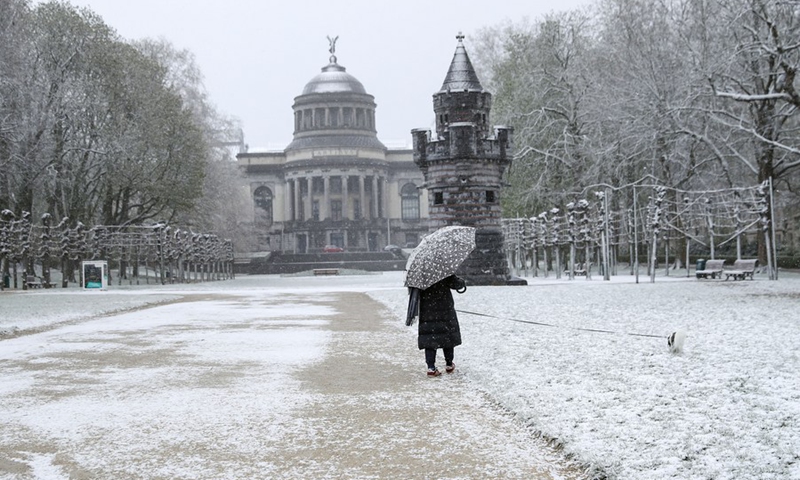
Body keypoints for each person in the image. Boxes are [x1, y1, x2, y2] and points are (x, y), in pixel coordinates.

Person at [415, 275, 467, 377]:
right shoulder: (443, 272)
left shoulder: (421, 276)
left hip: (427, 311)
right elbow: (457, 284)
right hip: (445, 310)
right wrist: (460, 281)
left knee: (429, 339)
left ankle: (431, 367)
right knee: (447, 337)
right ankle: (449, 364)